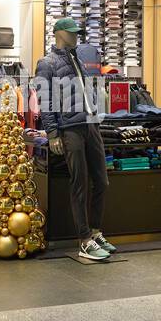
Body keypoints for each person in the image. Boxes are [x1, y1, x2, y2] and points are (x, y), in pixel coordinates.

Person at [34, 18, 115, 262]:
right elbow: (45, 100)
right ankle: (84, 240)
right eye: (71, 33)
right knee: (79, 183)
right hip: (70, 128)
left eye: (77, 33)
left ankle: (96, 231)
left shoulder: (77, 58)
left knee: (101, 181)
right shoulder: (46, 63)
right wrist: (53, 133)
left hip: (91, 125)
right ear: (58, 33)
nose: (76, 37)